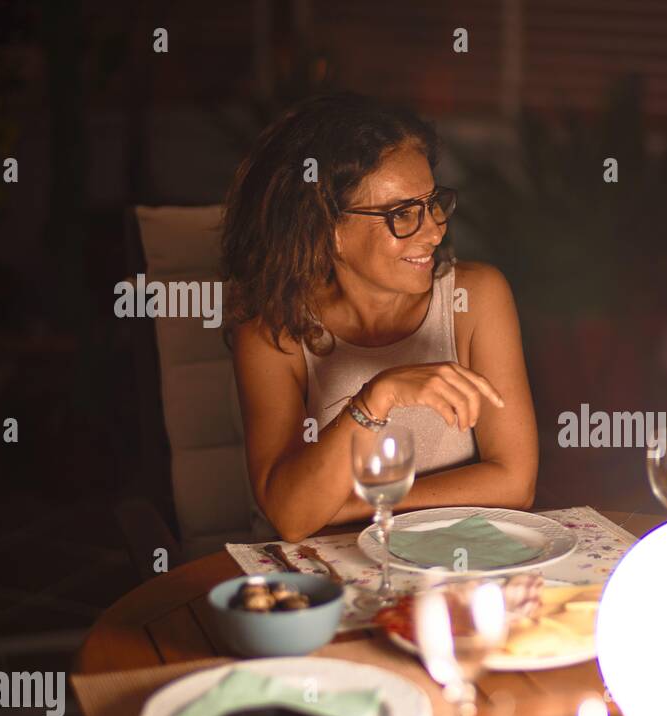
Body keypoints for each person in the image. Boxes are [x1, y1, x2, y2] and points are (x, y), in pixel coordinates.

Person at [222, 93, 538, 542]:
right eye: (402, 214)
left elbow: (514, 483)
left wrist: (352, 505)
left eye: (432, 204)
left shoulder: (476, 298)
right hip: (320, 583)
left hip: (448, 559)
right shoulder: (274, 331)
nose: (434, 230)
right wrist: (376, 398)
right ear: (327, 230)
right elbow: (292, 517)